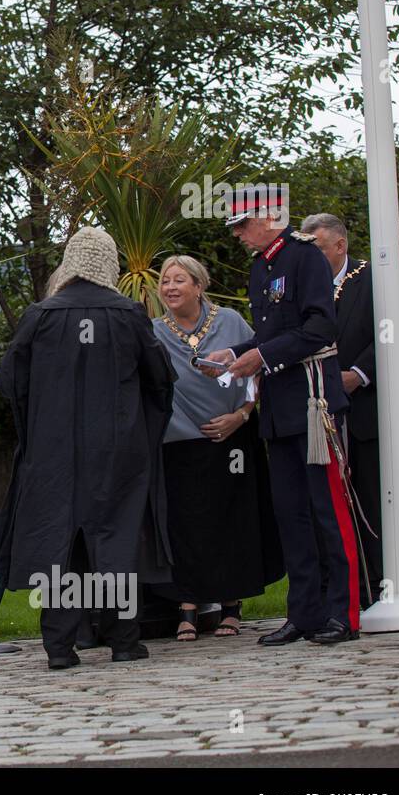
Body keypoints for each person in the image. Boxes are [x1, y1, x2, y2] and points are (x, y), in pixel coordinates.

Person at [0, 227, 175, 670]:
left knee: (59, 544)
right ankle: (125, 640)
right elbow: (162, 379)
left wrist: (37, 427)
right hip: (118, 453)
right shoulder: (129, 313)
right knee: (118, 540)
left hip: (53, 455)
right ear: (108, 263)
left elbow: (9, 381)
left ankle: (59, 647)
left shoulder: (40, 315)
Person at [203, 185, 357, 644]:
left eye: (242, 223)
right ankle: (304, 612)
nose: (237, 234)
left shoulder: (304, 256)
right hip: (281, 406)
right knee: (291, 513)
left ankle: (342, 614)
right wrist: (235, 352)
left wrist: (262, 357)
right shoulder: (261, 266)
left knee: (326, 509)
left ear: (269, 217)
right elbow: (272, 333)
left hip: (315, 403)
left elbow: (319, 327)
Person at [151, 258, 282, 642]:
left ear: (198, 285)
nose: (170, 287)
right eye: (164, 281)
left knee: (232, 521)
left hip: (230, 439)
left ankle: (230, 608)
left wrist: (239, 417)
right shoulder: (153, 331)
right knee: (184, 525)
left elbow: (255, 373)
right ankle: (188, 610)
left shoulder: (231, 323)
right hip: (178, 444)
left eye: (179, 280)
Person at [302, 213, 383, 609]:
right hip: (319, 412)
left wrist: (359, 374)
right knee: (328, 507)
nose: (311, 254)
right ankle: (340, 593)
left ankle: (381, 586)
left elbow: (389, 331)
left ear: (340, 246)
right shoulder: (304, 285)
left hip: (368, 410)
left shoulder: (373, 278)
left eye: (317, 246)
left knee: (372, 500)